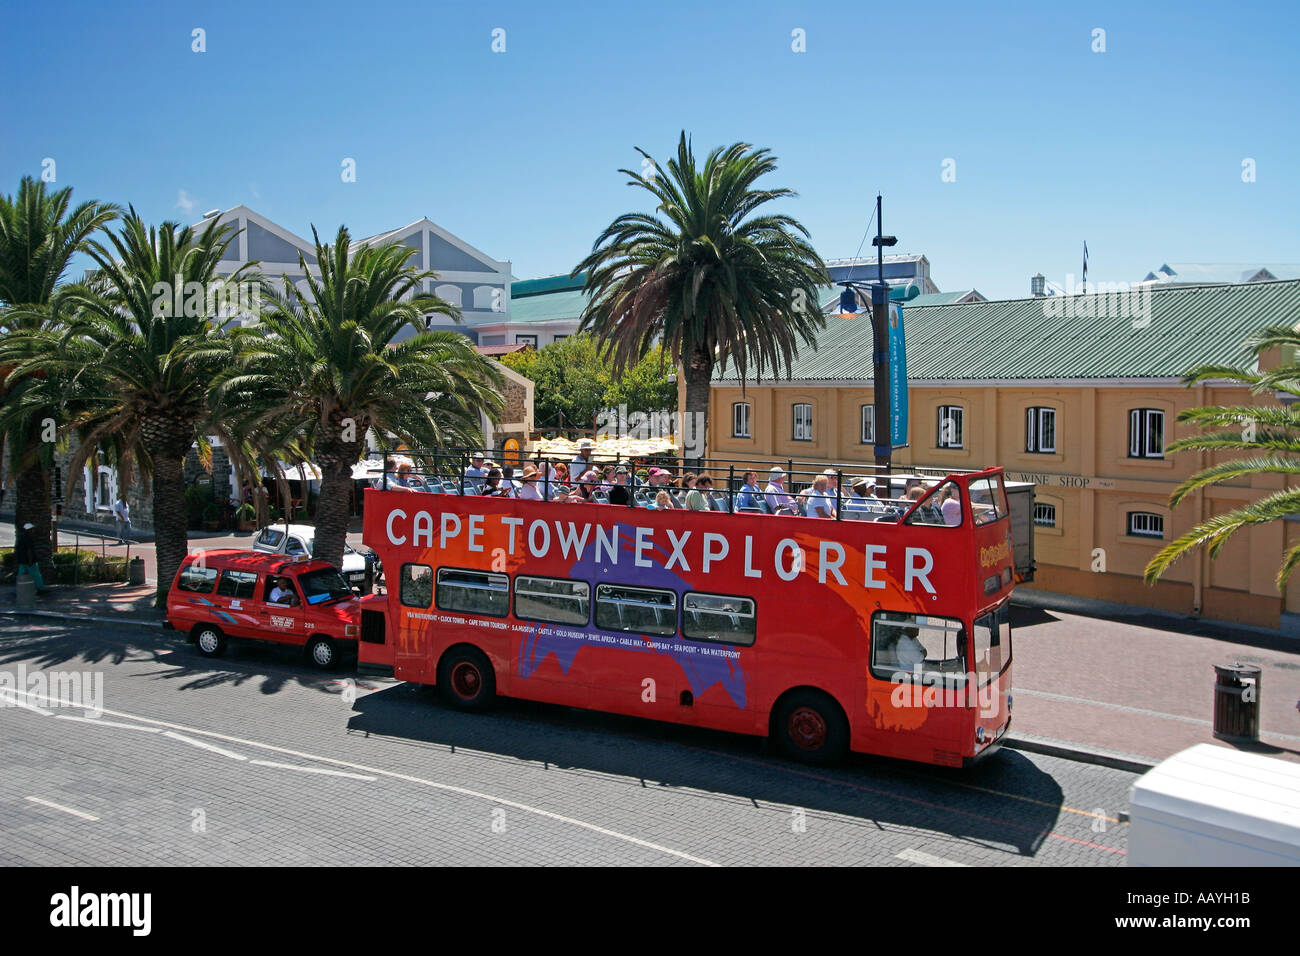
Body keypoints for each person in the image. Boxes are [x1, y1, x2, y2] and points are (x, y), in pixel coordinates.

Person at [14, 522, 46, 593]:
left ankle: (20, 588)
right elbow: (29, 550)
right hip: (29, 561)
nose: (33, 530)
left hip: (22, 560)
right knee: (36, 575)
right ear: (29, 530)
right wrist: (30, 560)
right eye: (32, 529)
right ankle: (40, 588)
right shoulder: (29, 538)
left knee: (21, 574)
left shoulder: (21, 537)